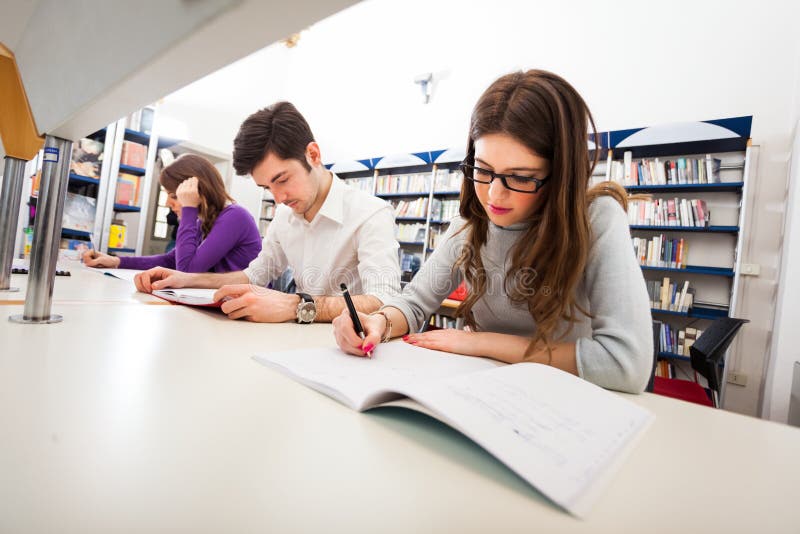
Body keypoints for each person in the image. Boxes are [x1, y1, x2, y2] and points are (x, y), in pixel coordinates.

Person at [332, 69, 653, 394]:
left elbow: (626, 364)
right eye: (483, 170)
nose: (494, 197)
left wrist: (480, 342)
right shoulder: (470, 224)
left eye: (521, 177)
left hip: (567, 400)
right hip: (487, 391)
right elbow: (414, 303)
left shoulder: (597, 219)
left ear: (560, 175)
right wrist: (379, 322)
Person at [133, 101, 401, 323]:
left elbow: (385, 300)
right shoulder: (285, 216)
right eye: (267, 187)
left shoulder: (371, 213)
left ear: (313, 154)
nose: (279, 198)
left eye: (282, 180)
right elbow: (254, 275)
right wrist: (187, 280)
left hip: (356, 351)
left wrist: (297, 306)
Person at [83, 154, 262, 273]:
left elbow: (186, 271)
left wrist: (189, 209)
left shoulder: (235, 217)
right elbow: (170, 260)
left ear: (199, 191)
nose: (169, 203)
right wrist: (116, 262)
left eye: (175, 196)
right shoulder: (206, 221)